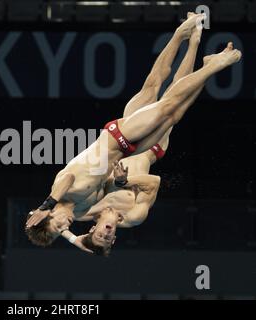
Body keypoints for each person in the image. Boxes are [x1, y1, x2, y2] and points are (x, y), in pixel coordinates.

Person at [25, 13, 242, 252]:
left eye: (57, 226)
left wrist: (46, 205)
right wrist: (76, 241)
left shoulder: (64, 190)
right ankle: (201, 52)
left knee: (166, 103)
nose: (64, 226)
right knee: (174, 114)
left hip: (117, 137)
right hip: (129, 151)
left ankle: (201, 53)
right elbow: (67, 229)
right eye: (61, 231)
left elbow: (64, 180)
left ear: (49, 213)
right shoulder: (81, 211)